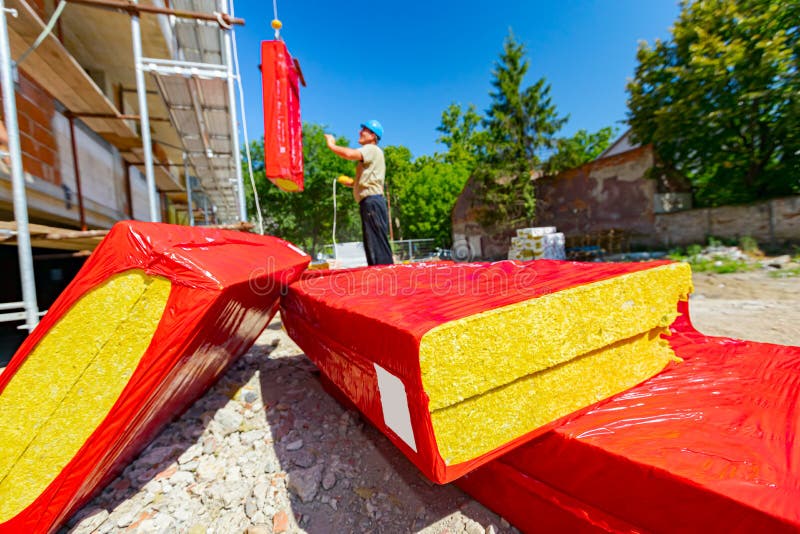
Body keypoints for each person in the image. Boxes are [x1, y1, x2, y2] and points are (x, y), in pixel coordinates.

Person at [324, 120, 394, 266]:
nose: (359, 132)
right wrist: (352, 183)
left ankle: (384, 274)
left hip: (372, 202)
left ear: (373, 136)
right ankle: (382, 273)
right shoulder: (373, 153)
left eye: (364, 130)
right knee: (374, 243)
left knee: (376, 245)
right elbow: (368, 179)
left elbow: (349, 154)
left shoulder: (371, 149)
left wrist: (331, 145)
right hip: (371, 202)